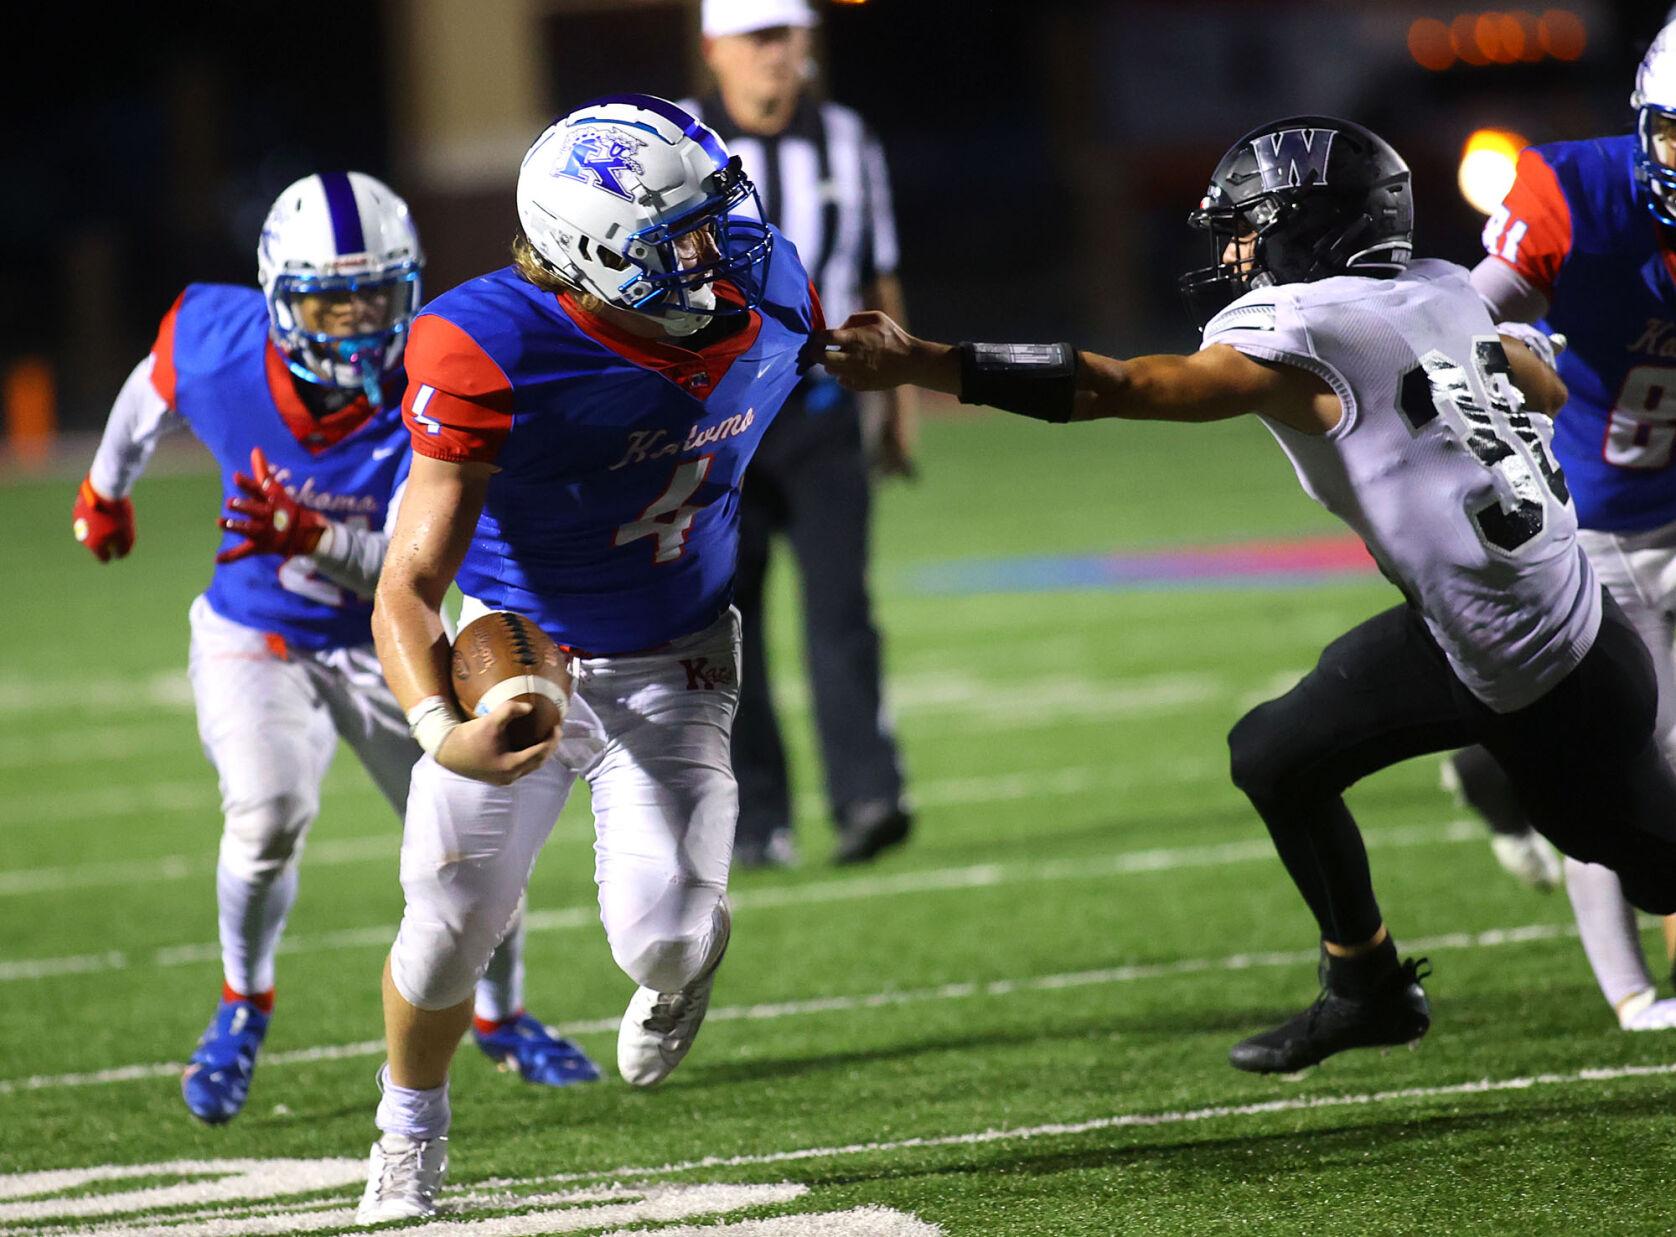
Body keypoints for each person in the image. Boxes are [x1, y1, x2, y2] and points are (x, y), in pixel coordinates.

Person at [817, 114, 1676, 1074]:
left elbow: (1119, 384)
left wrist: (924, 362)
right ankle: (1368, 986)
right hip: (1525, 626)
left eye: (1250, 223)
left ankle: (1420, 915)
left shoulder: (1308, 326)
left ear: (1310, 226)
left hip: (1540, 677)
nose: (1234, 248)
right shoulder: (1440, 288)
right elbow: (1542, 384)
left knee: (1647, 863)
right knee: (1273, 752)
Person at [353, 95, 818, 1222]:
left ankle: (686, 964)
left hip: (680, 662)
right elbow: (406, 586)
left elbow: (823, 362)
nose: (716, 251)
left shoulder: (769, 281)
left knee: (661, 941)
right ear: (594, 252)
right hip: (526, 660)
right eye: (680, 237)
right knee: (449, 926)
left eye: (714, 220)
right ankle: (406, 1134)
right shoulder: (489, 345)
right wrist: (443, 730)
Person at [72, 171, 598, 1126]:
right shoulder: (216, 340)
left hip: (388, 641)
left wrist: (307, 536)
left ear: (409, 288)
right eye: (328, 299)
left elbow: (410, 572)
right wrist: (106, 488)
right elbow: (149, 387)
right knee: (267, 816)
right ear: (279, 296)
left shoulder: (440, 373)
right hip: (257, 630)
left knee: (476, 834)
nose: (355, 322)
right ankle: (243, 1002)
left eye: (374, 296)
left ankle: (502, 1014)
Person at [1441, 22, 1676, 1033]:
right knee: (1620, 764)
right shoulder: (1576, 190)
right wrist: (1507, 344)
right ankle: (1628, 989)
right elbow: (1460, 318)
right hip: (1584, 531)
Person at [683, 0, 914, 868]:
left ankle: (868, 795)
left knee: (842, 611)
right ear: (716, 49)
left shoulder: (848, 138)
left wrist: (896, 404)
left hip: (821, 414)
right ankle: (755, 818)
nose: (779, 56)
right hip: (721, 428)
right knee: (725, 625)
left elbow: (880, 269)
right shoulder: (679, 145)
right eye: (760, 38)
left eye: (790, 35)